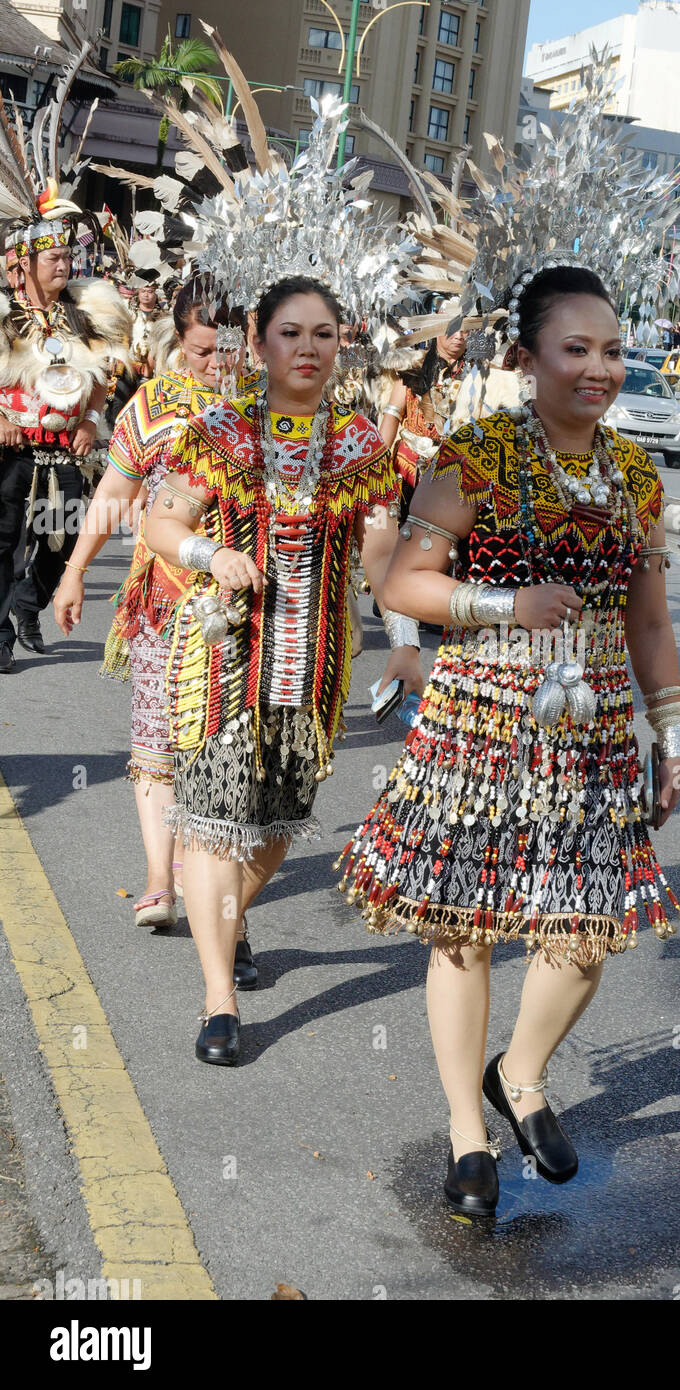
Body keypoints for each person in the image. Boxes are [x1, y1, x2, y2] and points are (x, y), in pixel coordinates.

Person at [337, 265, 680, 1217]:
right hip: (481, 720)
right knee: (467, 928)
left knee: (585, 930)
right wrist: (506, 605)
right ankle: (467, 1130)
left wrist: (674, 727)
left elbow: (650, 621)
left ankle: (521, 1074)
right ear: (527, 358)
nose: (598, 369)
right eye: (575, 350)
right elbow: (403, 584)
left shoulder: (636, 474)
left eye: (612, 351)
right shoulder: (479, 452)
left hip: (597, 727)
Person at [144, 277, 422, 1067]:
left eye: (324, 335)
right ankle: (218, 998)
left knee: (273, 828)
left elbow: (383, 561)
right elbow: (160, 522)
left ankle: (221, 925)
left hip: (313, 666)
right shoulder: (220, 429)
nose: (307, 349)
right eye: (292, 333)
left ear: (342, 346)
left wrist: (403, 638)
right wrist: (210, 553)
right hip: (225, 656)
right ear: (260, 342)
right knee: (210, 822)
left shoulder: (362, 446)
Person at [52, 277, 243, 934]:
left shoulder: (277, 406)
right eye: (203, 352)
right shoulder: (155, 404)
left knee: (225, 750)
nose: (219, 365)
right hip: (163, 598)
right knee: (157, 742)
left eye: (230, 350)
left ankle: (211, 876)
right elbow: (112, 493)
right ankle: (162, 879)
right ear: (180, 343)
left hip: (250, 609)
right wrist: (74, 571)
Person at [0, 217, 131, 674]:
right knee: (4, 541)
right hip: (12, 450)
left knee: (63, 540)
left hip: (65, 451)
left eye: (67, 256)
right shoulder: (2, 311)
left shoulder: (83, 312)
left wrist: (92, 421)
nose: (64, 265)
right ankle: (1, 636)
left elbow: (102, 373)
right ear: (24, 264)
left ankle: (28, 604)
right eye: (53, 257)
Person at [377, 321, 470, 507]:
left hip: (457, 471)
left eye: (465, 330)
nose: (459, 336)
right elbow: (393, 413)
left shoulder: (480, 374)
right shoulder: (412, 365)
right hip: (409, 467)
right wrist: (376, 463)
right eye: (453, 329)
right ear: (437, 330)